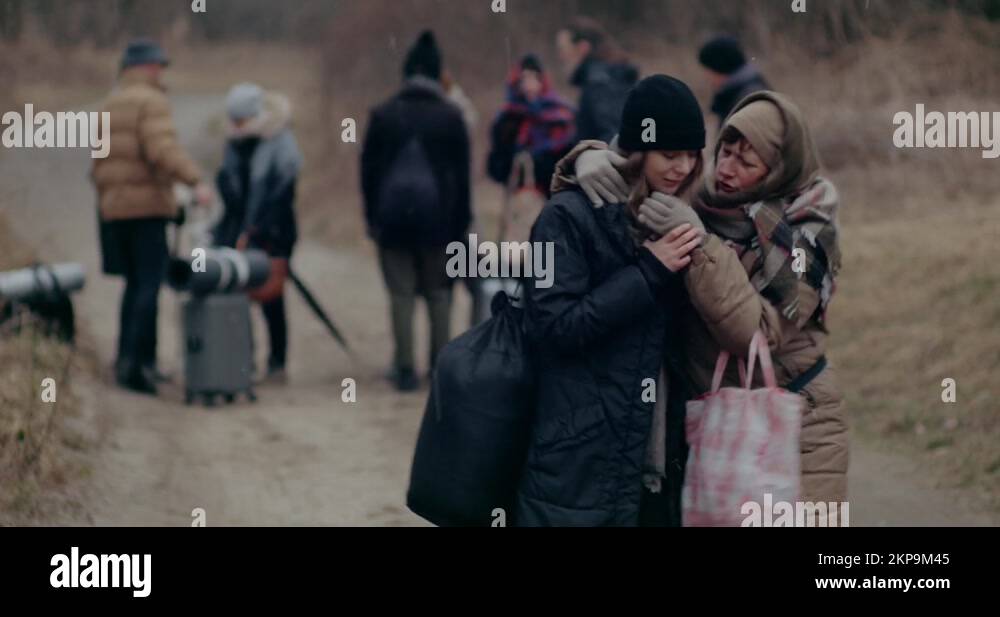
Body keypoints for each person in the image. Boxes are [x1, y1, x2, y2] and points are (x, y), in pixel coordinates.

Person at [562, 91, 849, 510]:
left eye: (746, 162)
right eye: (725, 152)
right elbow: (636, 178)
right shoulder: (702, 197)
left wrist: (702, 246)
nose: (727, 169)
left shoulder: (809, 234)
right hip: (717, 421)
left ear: (780, 169)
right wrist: (587, 159)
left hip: (799, 427)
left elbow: (753, 335)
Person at [516, 75, 707, 527]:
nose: (682, 167)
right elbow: (553, 326)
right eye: (669, 153)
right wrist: (647, 273)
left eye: (691, 154)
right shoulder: (566, 215)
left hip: (660, 457)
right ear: (636, 149)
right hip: (580, 456)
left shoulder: (685, 215)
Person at [91, 38, 212, 395]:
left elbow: (98, 163)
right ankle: (140, 367)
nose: (162, 72)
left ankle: (127, 359)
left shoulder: (109, 103)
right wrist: (196, 181)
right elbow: (162, 149)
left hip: (113, 209)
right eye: (159, 65)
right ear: (145, 68)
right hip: (145, 209)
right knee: (148, 284)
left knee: (133, 284)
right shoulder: (152, 102)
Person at [361, 30, 471, 392]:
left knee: (401, 295)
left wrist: (372, 221)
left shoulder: (383, 114)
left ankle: (405, 369)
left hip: (392, 223)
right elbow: (463, 178)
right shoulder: (451, 117)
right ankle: (439, 369)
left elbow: (368, 175)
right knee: (440, 293)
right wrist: (460, 226)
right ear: (438, 74)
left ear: (406, 73)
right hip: (439, 225)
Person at [213, 83, 302, 384]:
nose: (237, 127)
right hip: (237, 229)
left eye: (241, 121)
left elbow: (283, 192)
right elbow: (229, 188)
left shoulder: (282, 141)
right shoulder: (234, 143)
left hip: (273, 232)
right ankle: (242, 362)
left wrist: (261, 228)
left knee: (271, 297)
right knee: (236, 295)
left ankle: (277, 363)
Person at [487, 54, 576, 198]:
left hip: (555, 192)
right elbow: (497, 163)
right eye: (524, 78)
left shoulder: (561, 114)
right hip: (520, 196)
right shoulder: (508, 116)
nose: (529, 84)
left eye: (534, 78)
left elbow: (569, 156)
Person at [555, 16, 638, 144]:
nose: (560, 56)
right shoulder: (604, 78)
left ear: (582, 48)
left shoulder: (600, 84)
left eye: (563, 49)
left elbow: (613, 137)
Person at [698, 36, 771, 128]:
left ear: (720, 67)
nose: (707, 77)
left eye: (709, 71)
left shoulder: (750, 98)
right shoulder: (734, 93)